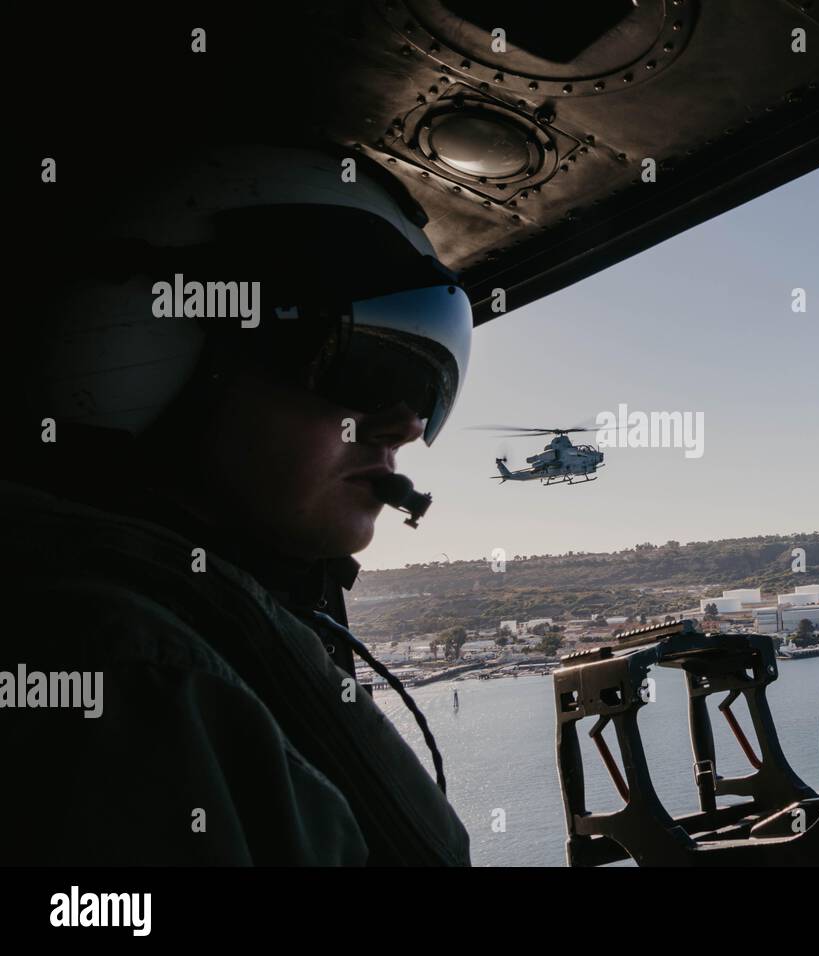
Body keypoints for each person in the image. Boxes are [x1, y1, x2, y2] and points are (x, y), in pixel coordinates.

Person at [0, 145, 472, 865]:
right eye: (359, 363)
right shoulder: (130, 678)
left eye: (425, 382)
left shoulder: (202, 642)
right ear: (159, 346)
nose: (405, 423)